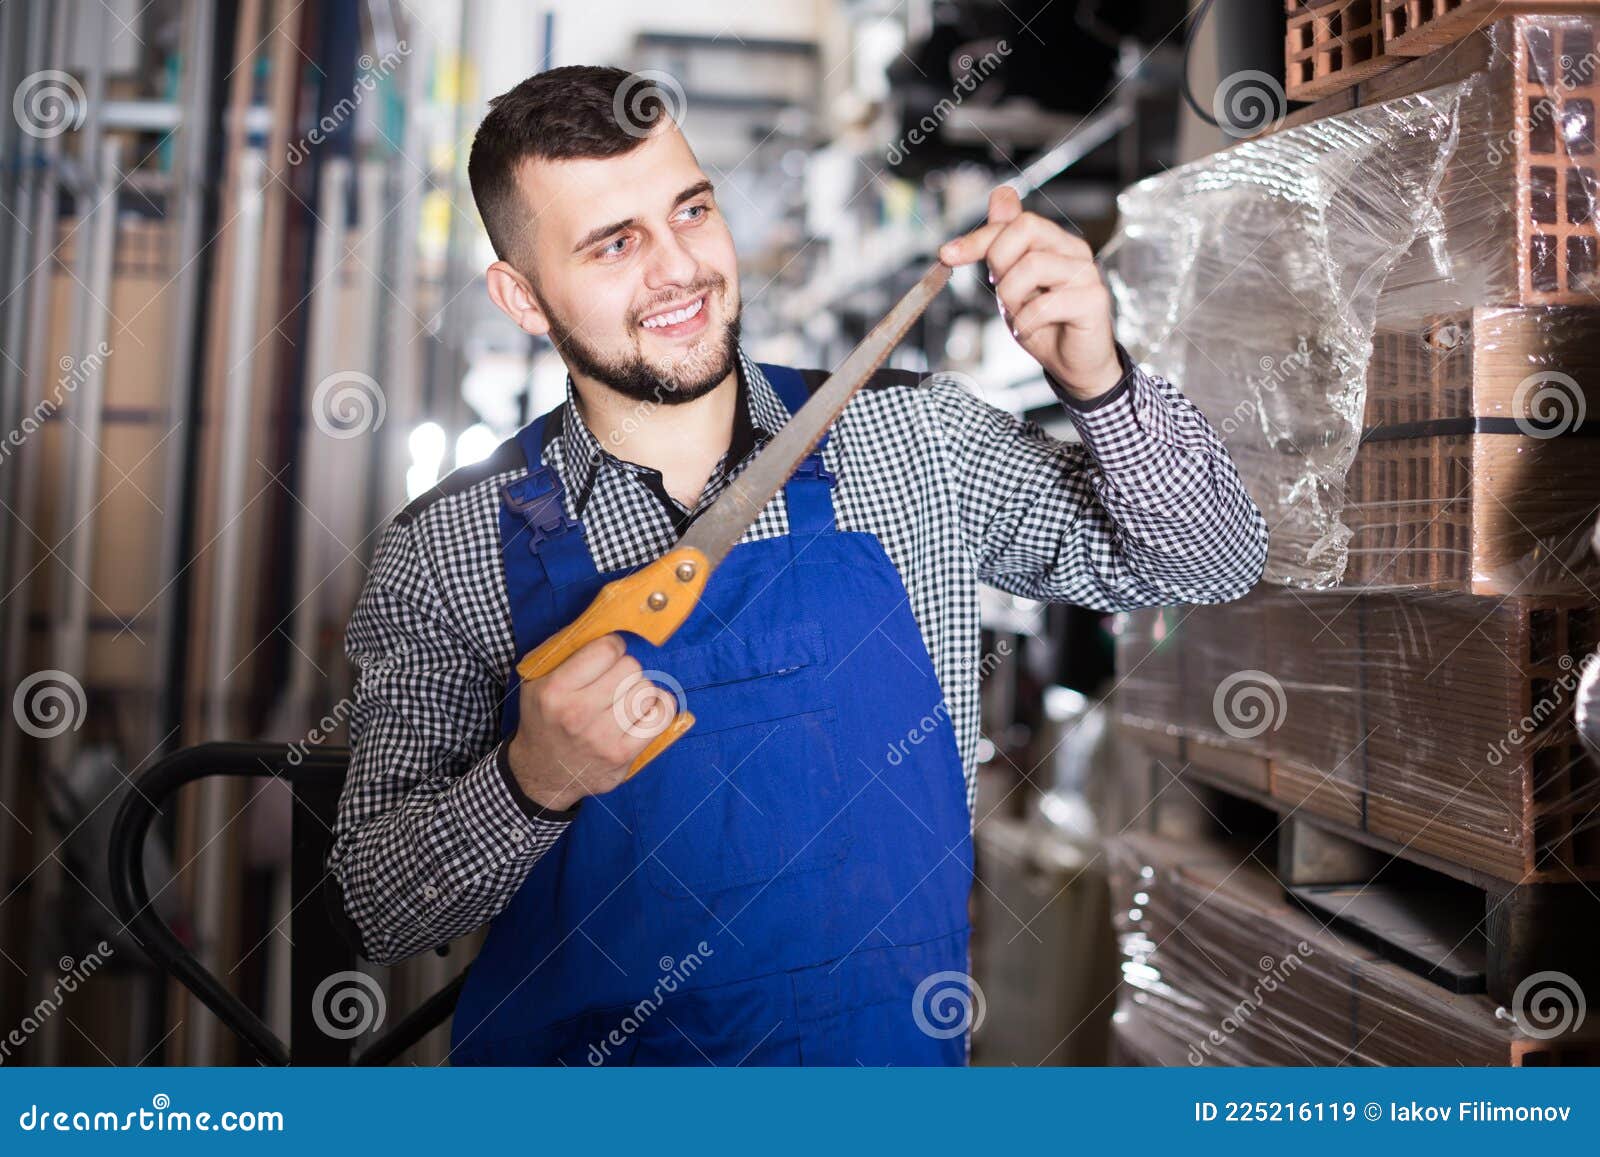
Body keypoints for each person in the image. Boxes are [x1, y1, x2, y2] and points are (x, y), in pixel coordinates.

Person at [328, 64, 1267, 1066]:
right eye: (614, 243)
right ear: (522, 298)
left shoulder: (912, 440)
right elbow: (377, 905)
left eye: (690, 210)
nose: (679, 269)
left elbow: (1212, 559)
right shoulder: (448, 549)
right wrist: (530, 779)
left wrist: (1098, 376)